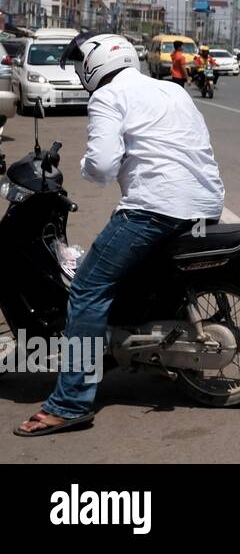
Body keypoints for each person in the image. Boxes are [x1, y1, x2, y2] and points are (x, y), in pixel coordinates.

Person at [15, 33, 224, 436]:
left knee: (87, 289)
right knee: (139, 273)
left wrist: (85, 168)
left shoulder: (108, 98)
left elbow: (103, 166)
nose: (79, 73)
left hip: (155, 209)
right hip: (204, 206)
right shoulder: (172, 90)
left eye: (80, 64)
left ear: (94, 64)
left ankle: (70, 403)